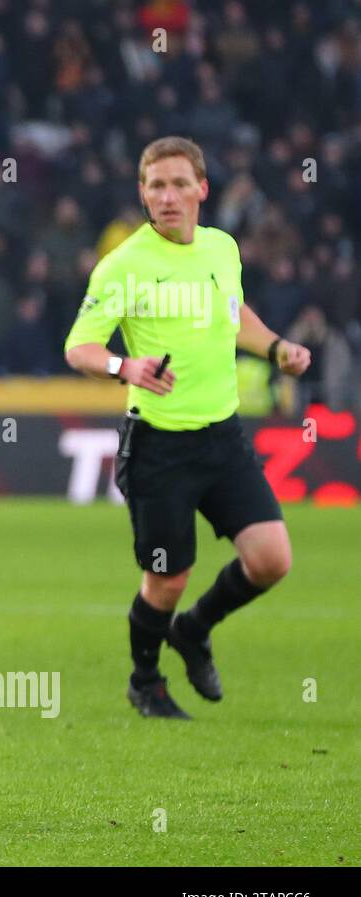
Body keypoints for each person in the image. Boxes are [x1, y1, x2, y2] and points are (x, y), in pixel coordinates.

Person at [64, 136, 312, 719]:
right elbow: (79, 348)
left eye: (179, 184)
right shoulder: (123, 265)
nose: (168, 196)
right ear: (142, 194)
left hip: (222, 438)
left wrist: (275, 347)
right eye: (156, 185)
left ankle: (194, 631)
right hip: (158, 446)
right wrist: (127, 367)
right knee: (167, 581)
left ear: (202, 189)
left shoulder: (222, 249)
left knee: (273, 559)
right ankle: (145, 682)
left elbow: (233, 316)